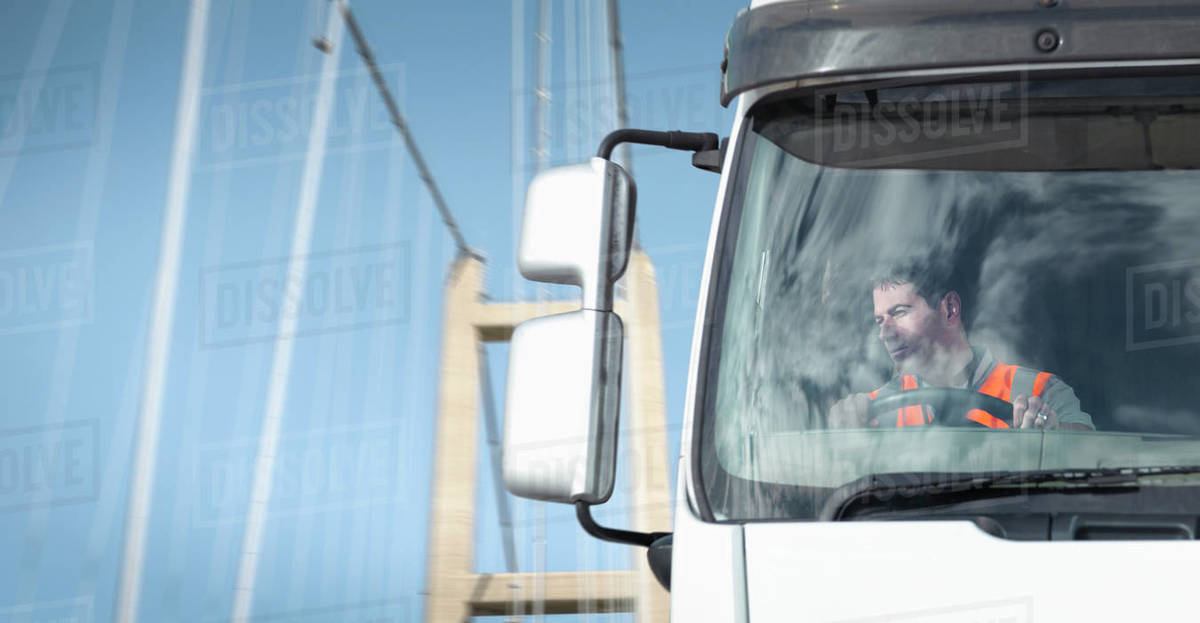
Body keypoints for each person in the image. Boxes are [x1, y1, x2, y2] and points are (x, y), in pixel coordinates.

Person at [829, 265, 1094, 430]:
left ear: (950, 308)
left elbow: (1090, 453)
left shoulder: (1040, 391)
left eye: (899, 312)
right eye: (879, 320)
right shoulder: (880, 408)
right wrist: (846, 426)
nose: (884, 332)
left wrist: (1055, 434)